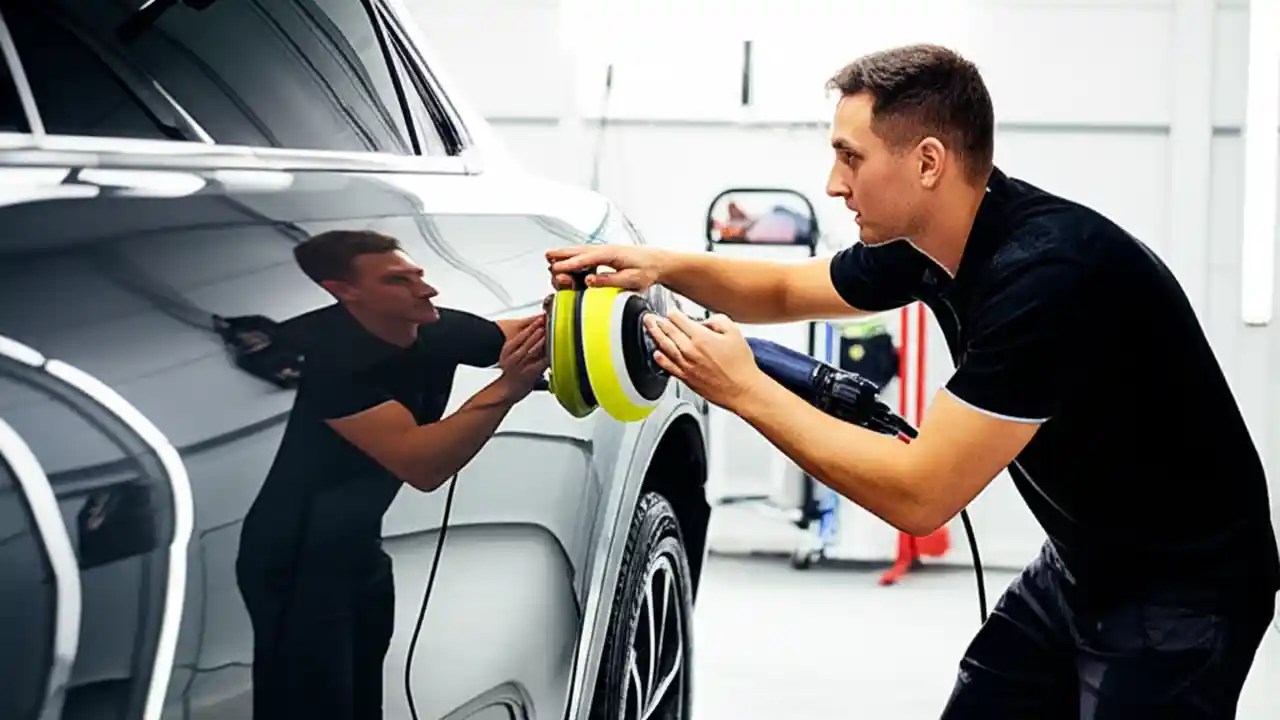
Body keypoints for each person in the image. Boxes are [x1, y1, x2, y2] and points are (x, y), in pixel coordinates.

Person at [547, 44, 1279, 718]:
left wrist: (744, 390)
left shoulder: (1049, 279)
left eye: (850, 157)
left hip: (1184, 591)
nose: (834, 183)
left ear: (928, 162)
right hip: (1083, 562)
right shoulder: (932, 242)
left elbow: (920, 494)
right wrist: (659, 266)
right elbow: (783, 290)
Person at [236, 229, 547, 720]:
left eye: (417, 275)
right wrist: (509, 387)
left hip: (358, 546)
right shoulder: (324, 357)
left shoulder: (425, 324)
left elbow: (525, 337)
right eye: (398, 281)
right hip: (296, 565)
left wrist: (578, 311)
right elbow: (421, 463)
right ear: (344, 291)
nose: (427, 289)